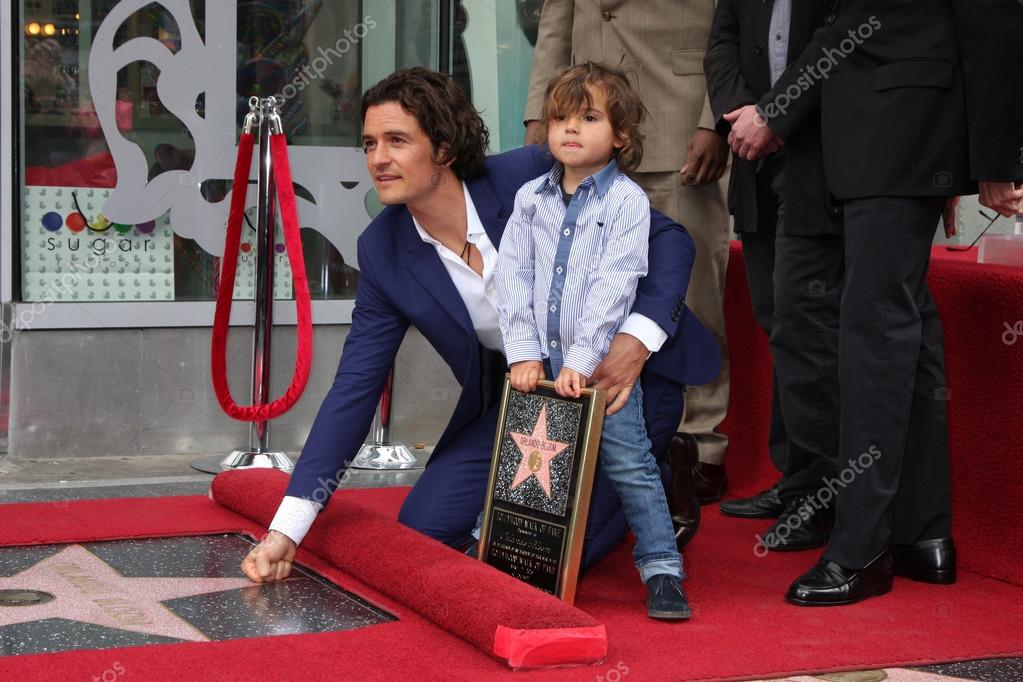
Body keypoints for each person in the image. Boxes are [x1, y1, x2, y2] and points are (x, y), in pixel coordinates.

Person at [240, 67, 720, 584]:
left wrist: (636, 341)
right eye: (370, 143)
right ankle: (645, 473)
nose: (378, 159)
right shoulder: (382, 250)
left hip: (625, 381)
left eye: (397, 140)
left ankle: (656, 467)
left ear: (444, 147)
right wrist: (285, 531)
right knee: (424, 529)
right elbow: (355, 388)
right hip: (531, 397)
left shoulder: (535, 173)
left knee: (541, 556)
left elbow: (670, 240)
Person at [727, 0, 1023, 605]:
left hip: (905, 128)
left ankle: (861, 547)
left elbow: (995, 20)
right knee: (903, 323)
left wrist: (997, 158)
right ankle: (921, 535)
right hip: (864, 132)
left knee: (875, 332)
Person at [498, 63, 691, 620]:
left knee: (630, 465)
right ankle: (526, 562)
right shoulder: (530, 199)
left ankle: (662, 569)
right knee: (531, 463)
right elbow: (514, 279)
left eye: (588, 117)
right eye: (560, 118)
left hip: (600, 362)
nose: (570, 129)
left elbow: (616, 285)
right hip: (542, 362)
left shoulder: (626, 201)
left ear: (621, 135)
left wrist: (583, 361)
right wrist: (525, 353)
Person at [523, 0, 734, 507]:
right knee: (579, 288)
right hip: (583, 125)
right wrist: (539, 113)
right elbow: (557, 20)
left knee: (691, 293)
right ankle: (588, 426)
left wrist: (715, 122)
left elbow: (732, 22)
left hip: (678, 120)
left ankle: (697, 446)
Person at [704, 0, 844, 551]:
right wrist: (742, 111)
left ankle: (821, 496)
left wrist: (778, 115)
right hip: (752, 154)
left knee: (807, 328)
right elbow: (722, 40)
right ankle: (794, 482)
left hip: (821, 151)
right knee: (777, 319)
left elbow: (837, 41)